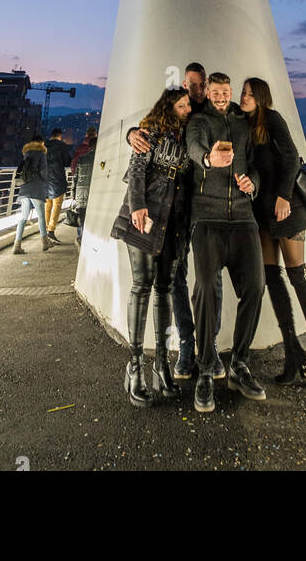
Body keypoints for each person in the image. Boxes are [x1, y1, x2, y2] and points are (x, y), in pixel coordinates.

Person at [127, 63, 225, 381]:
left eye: (201, 87)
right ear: (185, 83)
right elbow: (146, 138)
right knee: (174, 281)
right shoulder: (171, 116)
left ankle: (208, 349)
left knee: (210, 275)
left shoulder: (211, 112)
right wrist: (130, 133)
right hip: (174, 211)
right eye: (192, 87)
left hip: (205, 205)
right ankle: (185, 347)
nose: (196, 93)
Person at [239, 77, 306, 387]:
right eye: (243, 93)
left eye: (250, 94)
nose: (244, 97)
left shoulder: (273, 119)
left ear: (262, 97)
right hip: (262, 212)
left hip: (288, 207)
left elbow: (292, 158)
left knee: (298, 276)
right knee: (271, 277)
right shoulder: (246, 126)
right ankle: (292, 353)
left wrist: (282, 197)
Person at [186, 72, 266, 414]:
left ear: (232, 92)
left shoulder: (244, 124)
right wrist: (208, 160)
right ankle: (206, 368)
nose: (220, 97)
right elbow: (194, 148)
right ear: (208, 91)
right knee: (204, 288)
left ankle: (240, 364)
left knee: (256, 287)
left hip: (244, 219)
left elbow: (256, 166)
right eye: (214, 92)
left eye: (225, 92)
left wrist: (254, 185)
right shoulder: (199, 121)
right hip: (207, 218)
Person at [111, 86, 193, 406]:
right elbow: (136, 170)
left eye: (189, 105)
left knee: (165, 287)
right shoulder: (151, 131)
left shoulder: (191, 137)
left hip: (175, 223)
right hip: (145, 217)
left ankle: (161, 364)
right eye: (182, 105)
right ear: (169, 106)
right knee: (142, 285)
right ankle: (135, 367)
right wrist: (137, 206)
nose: (187, 109)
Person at [13, 136, 49, 253]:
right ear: (41, 143)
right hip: (36, 188)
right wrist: (45, 182)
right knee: (41, 216)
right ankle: (45, 242)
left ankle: (17, 245)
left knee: (23, 217)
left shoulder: (26, 153)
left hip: (24, 188)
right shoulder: (41, 154)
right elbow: (43, 171)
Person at [44, 128, 72, 243]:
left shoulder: (44, 145)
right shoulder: (61, 146)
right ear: (59, 136)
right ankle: (51, 231)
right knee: (57, 204)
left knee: (47, 205)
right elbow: (67, 162)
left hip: (44, 178)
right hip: (57, 178)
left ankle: (45, 230)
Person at [72, 133, 97, 246]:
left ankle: (81, 238)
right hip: (94, 193)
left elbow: (75, 178)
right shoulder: (101, 159)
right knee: (93, 220)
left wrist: (73, 194)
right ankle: (87, 242)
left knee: (81, 219)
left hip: (80, 192)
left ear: (89, 147)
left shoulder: (82, 158)